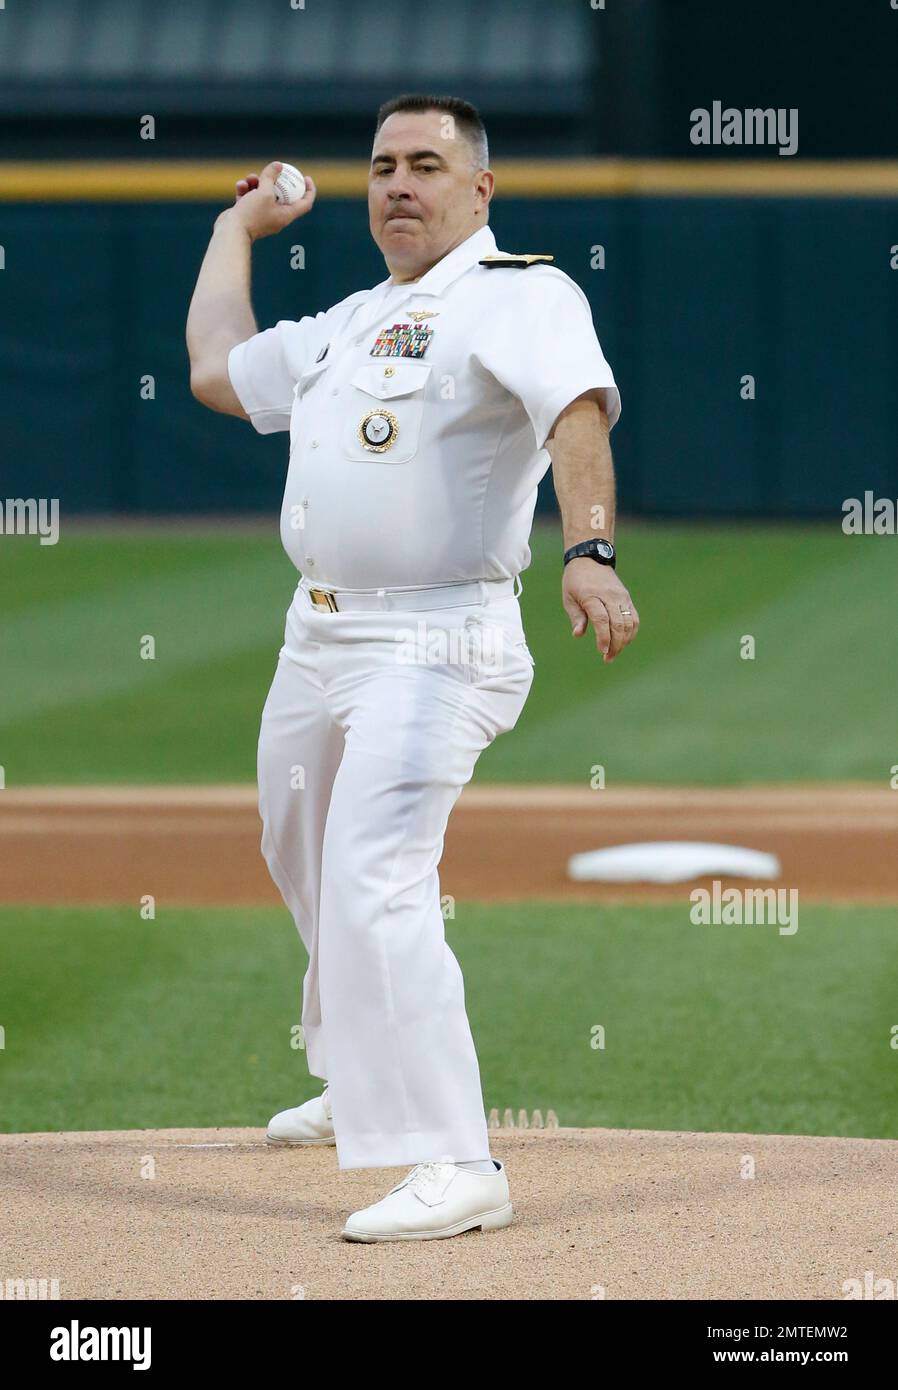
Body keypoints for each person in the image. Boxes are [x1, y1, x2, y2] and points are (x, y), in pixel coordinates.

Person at [186, 93, 639, 1242]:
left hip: (437, 639)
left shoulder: (518, 294)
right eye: (383, 164)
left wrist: (588, 549)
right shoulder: (348, 318)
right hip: (319, 636)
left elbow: (576, 413)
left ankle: (456, 1160)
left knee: (377, 868)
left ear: (477, 190)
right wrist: (237, 231)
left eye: (426, 165)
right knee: (298, 851)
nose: (398, 183)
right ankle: (357, 1079)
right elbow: (213, 371)